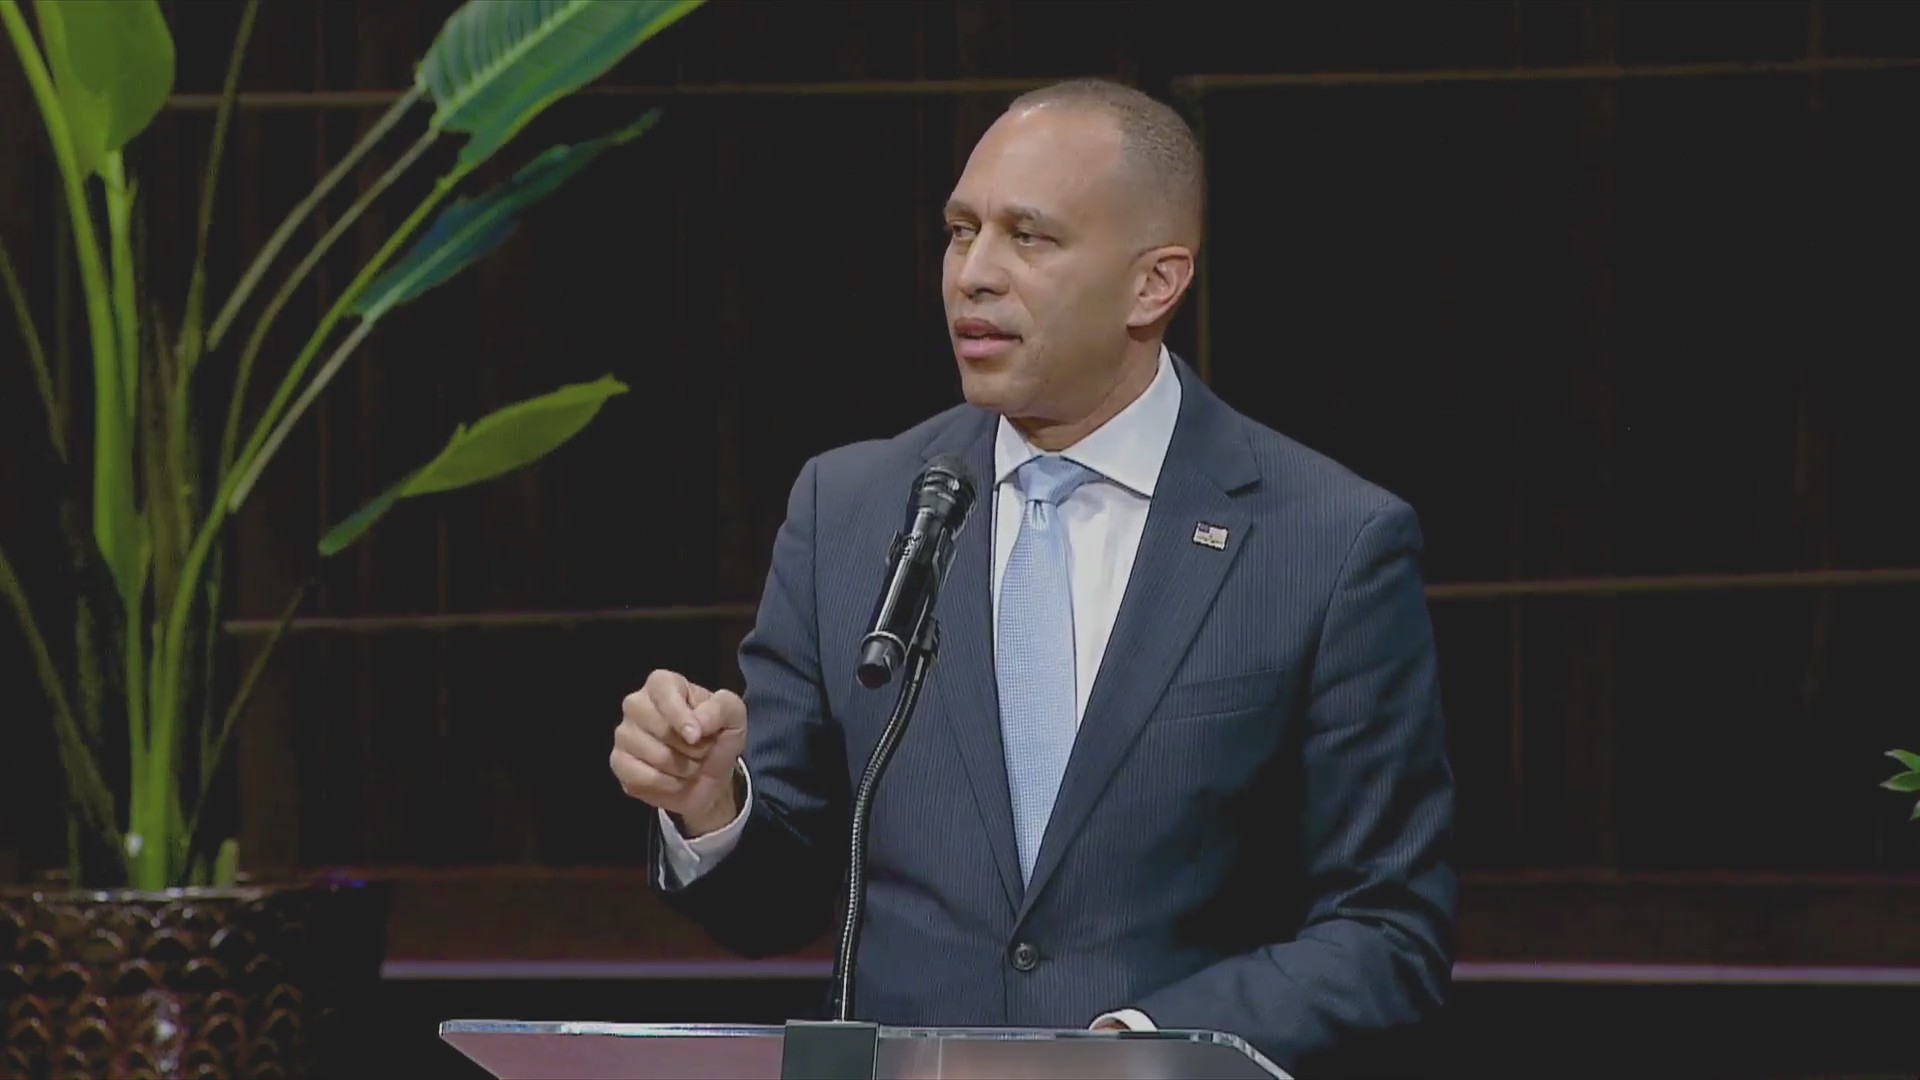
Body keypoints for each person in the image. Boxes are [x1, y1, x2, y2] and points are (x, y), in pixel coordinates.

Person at [609, 77, 1457, 1078]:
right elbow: (776, 905)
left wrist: (1136, 1053)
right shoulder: (852, 509)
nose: (973, 275)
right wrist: (713, 808)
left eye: (1029, 237)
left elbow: (1387, 933)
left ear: (1155, 283)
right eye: (960, 232)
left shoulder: (1326, 542)